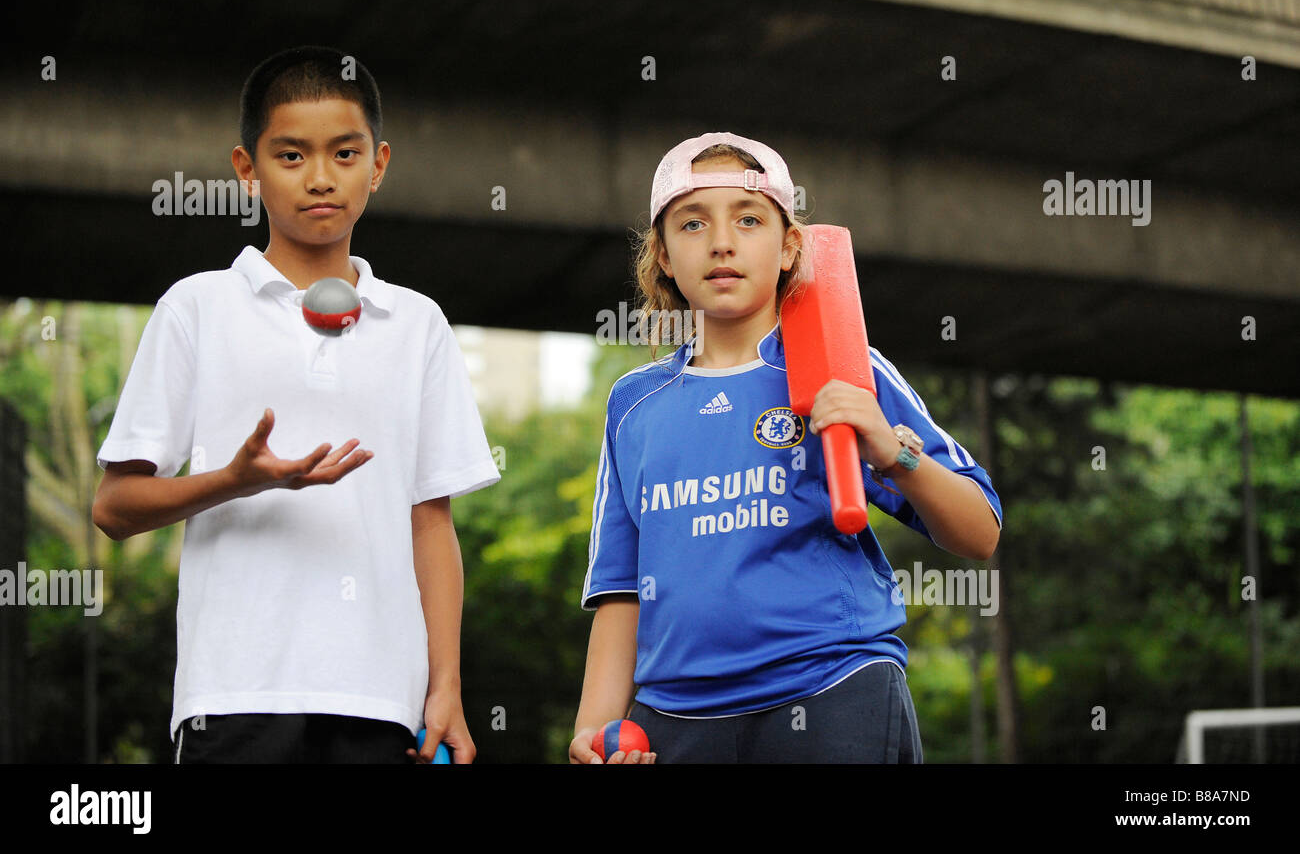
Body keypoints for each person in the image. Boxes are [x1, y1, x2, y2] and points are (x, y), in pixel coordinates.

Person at [92, 46, 499, 764]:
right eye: (290, 155)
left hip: (382, 704)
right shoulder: (196, 308)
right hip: (234, 697)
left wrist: (446, 686)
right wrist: (234, 479)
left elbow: (430, 522)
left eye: (345, 153)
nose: (320, 178)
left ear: (378, 164)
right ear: (247, 170)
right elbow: (114, 505)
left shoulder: (419, 323)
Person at [570, 132, 1003, 763]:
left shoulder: (845, 369)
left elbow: (981, 533)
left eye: (749, 220)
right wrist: (593, 731)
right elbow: (620, 591)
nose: (722, 241)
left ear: (788, 246)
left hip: (833, 692)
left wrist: (893, 453)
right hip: (673, 721)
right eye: (693, 224)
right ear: (662, 255)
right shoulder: (634, 403)